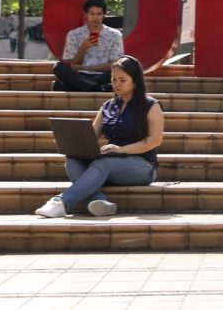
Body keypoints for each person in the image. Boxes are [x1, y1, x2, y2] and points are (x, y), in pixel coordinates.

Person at [35, 55, 163, 217]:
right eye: (114, 79)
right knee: (73, 162)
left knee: (105, 163)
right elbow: (91, 136)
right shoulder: (108, 106)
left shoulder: (151, 105)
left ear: (135, 81)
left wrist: (121, 150)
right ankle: (100, 201)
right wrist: (70, 141)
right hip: (111, 161)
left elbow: (155, 140)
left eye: (122, 80)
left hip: (142, 166)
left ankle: (61, 202)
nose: (116, 84)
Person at [52, 0, 124, 92]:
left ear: (104, 15)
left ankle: (86, 86)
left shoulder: (115, 35)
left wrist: (87, 68)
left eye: (99, 14)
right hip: (80, 75)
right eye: (91, 14)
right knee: (59, 67)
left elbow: (114, 64)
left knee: (121, 68)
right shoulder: (74, 34)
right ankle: (96, 88)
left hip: (103, 76)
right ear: (86, 14)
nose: (95, 18)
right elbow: (73, 64)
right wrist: (83, 48)